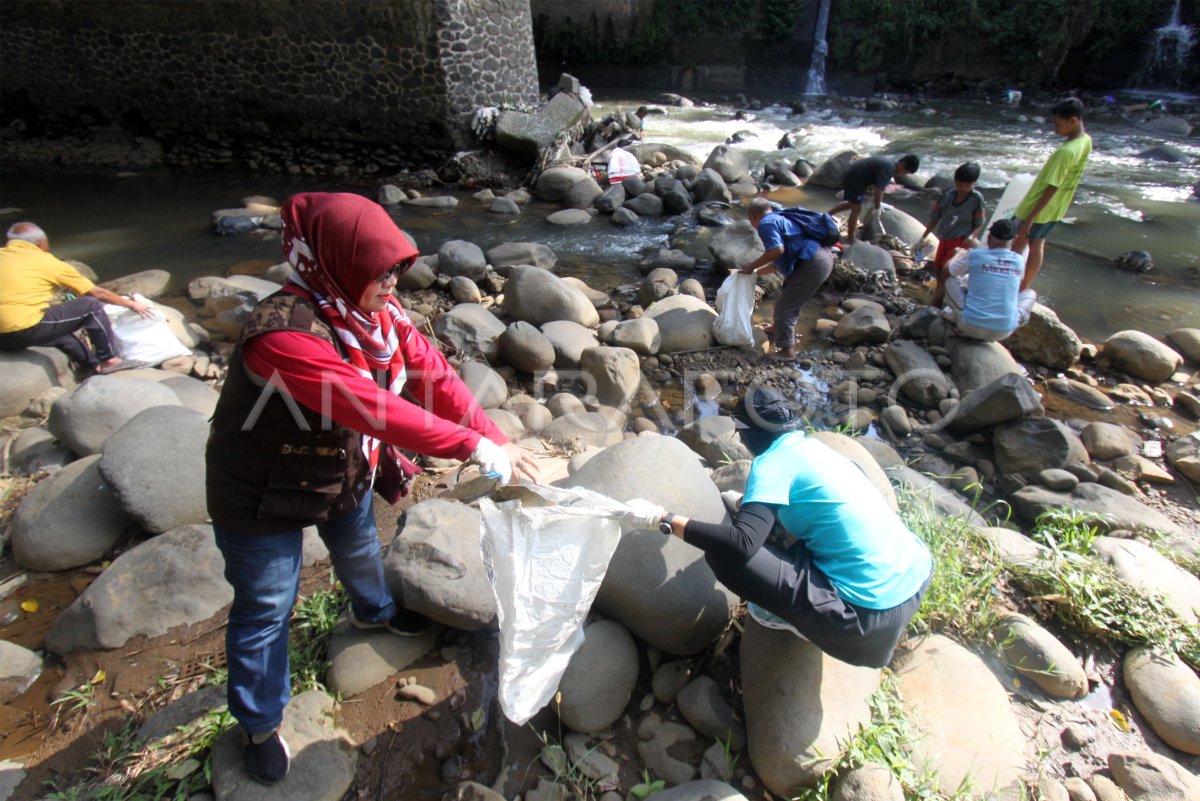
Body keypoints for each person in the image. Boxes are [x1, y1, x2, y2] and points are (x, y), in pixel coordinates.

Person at [205, 192, 539, 785]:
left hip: (341, 467)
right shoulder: (282, 335)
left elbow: (433, 376)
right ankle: (259, 723)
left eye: (396, 269)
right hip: (259, 487)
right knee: (266, 605)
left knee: (359, 544)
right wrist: (469, 446)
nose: (392, 282)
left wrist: (492, 436)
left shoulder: (380, 317)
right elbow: (371, 408)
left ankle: (374, 612)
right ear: (335, 264)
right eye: (378, 271)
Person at [625, 387, 932, 668]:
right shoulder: (816, 449)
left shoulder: (771, 463)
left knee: (724, 556)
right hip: (915, 578)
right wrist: (746, 503)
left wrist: (664, 518)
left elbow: (741, 544)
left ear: (749, 433)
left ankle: (788, 618)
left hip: (864, 621)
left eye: (740, 433)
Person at [0, 222, 153, 373]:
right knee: (91, 306)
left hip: (4, 339)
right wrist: (131, 304)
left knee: (60, 333)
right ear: (40, 244)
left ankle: (93, 367)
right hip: (23, 330)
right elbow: (96, 293)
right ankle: (110, 360)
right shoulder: (46, 262)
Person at [738, 198, 840, 362]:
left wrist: (751, 266)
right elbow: (776, 264)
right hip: (821, 258)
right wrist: (753, 273)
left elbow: (776, 250)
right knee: (788, 296)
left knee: (785, 307)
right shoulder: (780, 218)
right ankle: (776, 328)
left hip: (812, 263)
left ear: (753, 216)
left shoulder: (766, 223)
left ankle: (787, 351)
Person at [1010, 97, 1091, 291]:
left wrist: (1030, 218)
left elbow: (1052, 187)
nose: (1055, 129)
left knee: (1015, 243)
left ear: (1073, 121)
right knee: (1036, 245)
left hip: (1036, 208)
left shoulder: (1065, 152)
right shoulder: (1086, 141)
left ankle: (1008, 282)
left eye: (1058, 125)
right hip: (1055, 208)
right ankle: (1022, 286)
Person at [942, 218, 1037, 342]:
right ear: (1014, 240)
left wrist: (957, 255)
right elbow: (1018, 283)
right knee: (1031, 293)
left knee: (950, 279)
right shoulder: (1019, 260)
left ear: (989, 237)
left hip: (970, 326)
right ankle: (1002, 323)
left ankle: (959, 319)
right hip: (1004, 332)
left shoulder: (975, 254)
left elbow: (947, 271)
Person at [915, 162, 986, 307]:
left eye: (966, 185)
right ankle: (940, 297)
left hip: (961, 241)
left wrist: (972, 236)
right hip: (945, 238)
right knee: (938, 268)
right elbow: (935, 217)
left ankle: (936, 302)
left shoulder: (976, 199)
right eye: (959, 184)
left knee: (947, 272)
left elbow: (979, 223)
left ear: (973, 184)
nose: (962, 188)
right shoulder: (948, 195)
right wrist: (923, 237)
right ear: (955, 181)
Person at [828, 154, 920, 244]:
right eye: (905, 172)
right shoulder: (889, 168)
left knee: (851, 203)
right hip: (856, 177)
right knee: (856, 208)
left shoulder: (890, 164)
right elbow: (879, 189)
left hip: (855, 174)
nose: (903, 174)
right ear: (902, 164)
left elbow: (880, 186)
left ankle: (827, 215)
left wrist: (878, 204)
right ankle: (850, 239)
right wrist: (877, 208)